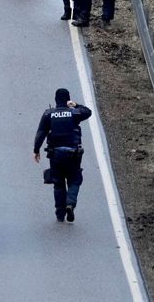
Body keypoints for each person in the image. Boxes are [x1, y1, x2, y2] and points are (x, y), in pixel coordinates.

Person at [33, 88, 93, 223]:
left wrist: (36, 150)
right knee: (74, 180)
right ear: (67, 100)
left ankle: (60, 214)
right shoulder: (74, 112)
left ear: (56, 100)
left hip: (55, 155)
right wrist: (75, 105)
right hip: (73, 155)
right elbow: (88, 112)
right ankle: (70, 204)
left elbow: (41, 133)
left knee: (58, 184)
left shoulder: (49, 114)